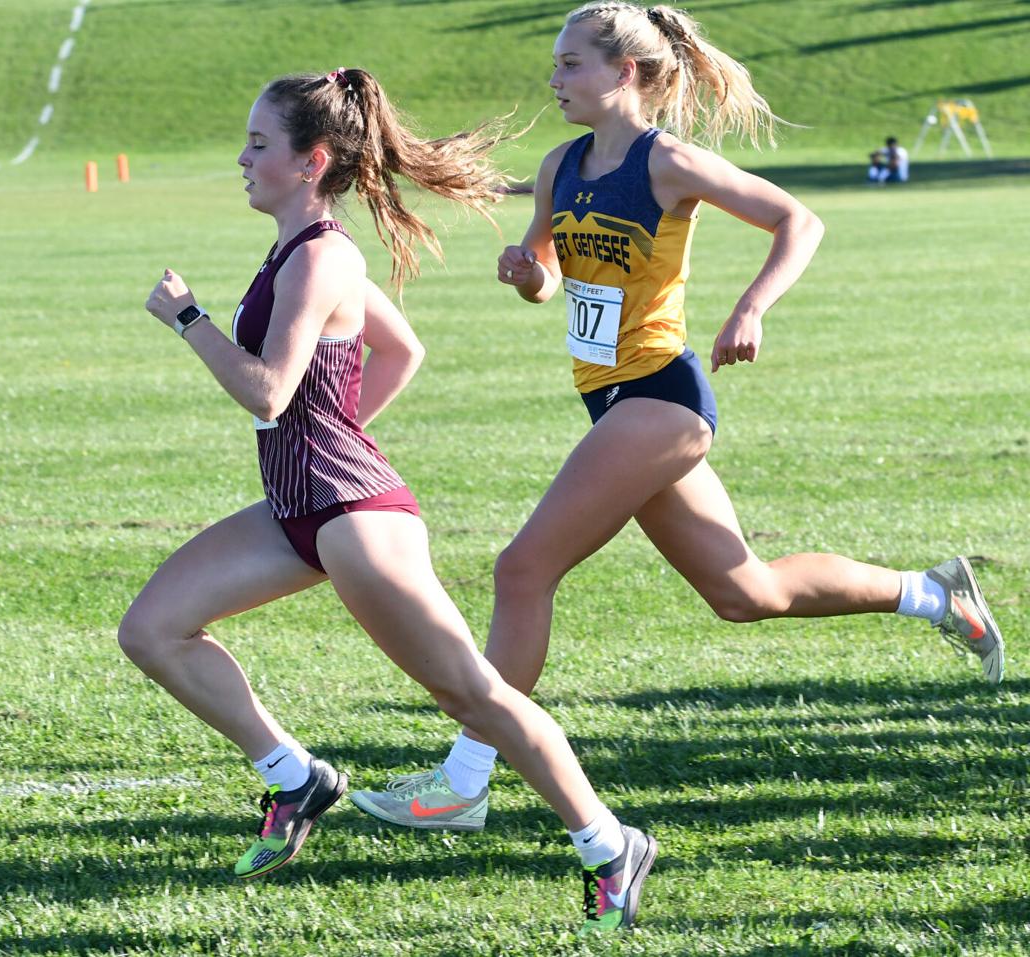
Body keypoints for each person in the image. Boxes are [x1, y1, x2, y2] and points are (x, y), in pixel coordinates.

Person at [350, 1, 1005, 836]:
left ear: (624, 72)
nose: (554, 80)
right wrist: (524, 273)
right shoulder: (562, 165)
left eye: (570, 65)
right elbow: (548, 275)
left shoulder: (671, 164)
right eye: (555, 65)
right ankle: (934, 594)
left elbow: (798, 219)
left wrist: (752, 307)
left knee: (522, 569)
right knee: (746, 591)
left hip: (663, 398)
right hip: (611, 403)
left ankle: (463, 780)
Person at [120, 67, 656, 933]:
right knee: (152, 629)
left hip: (353, 520)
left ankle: (609, 842)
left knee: (474, 696)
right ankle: (296, 777)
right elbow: (401, 350)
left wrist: (190, 320)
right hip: (307, 507)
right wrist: (334, 435)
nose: (244, 158)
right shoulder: (305, 251)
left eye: (260, 145)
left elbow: (266, 392)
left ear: (311, 161)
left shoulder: (324, 255)